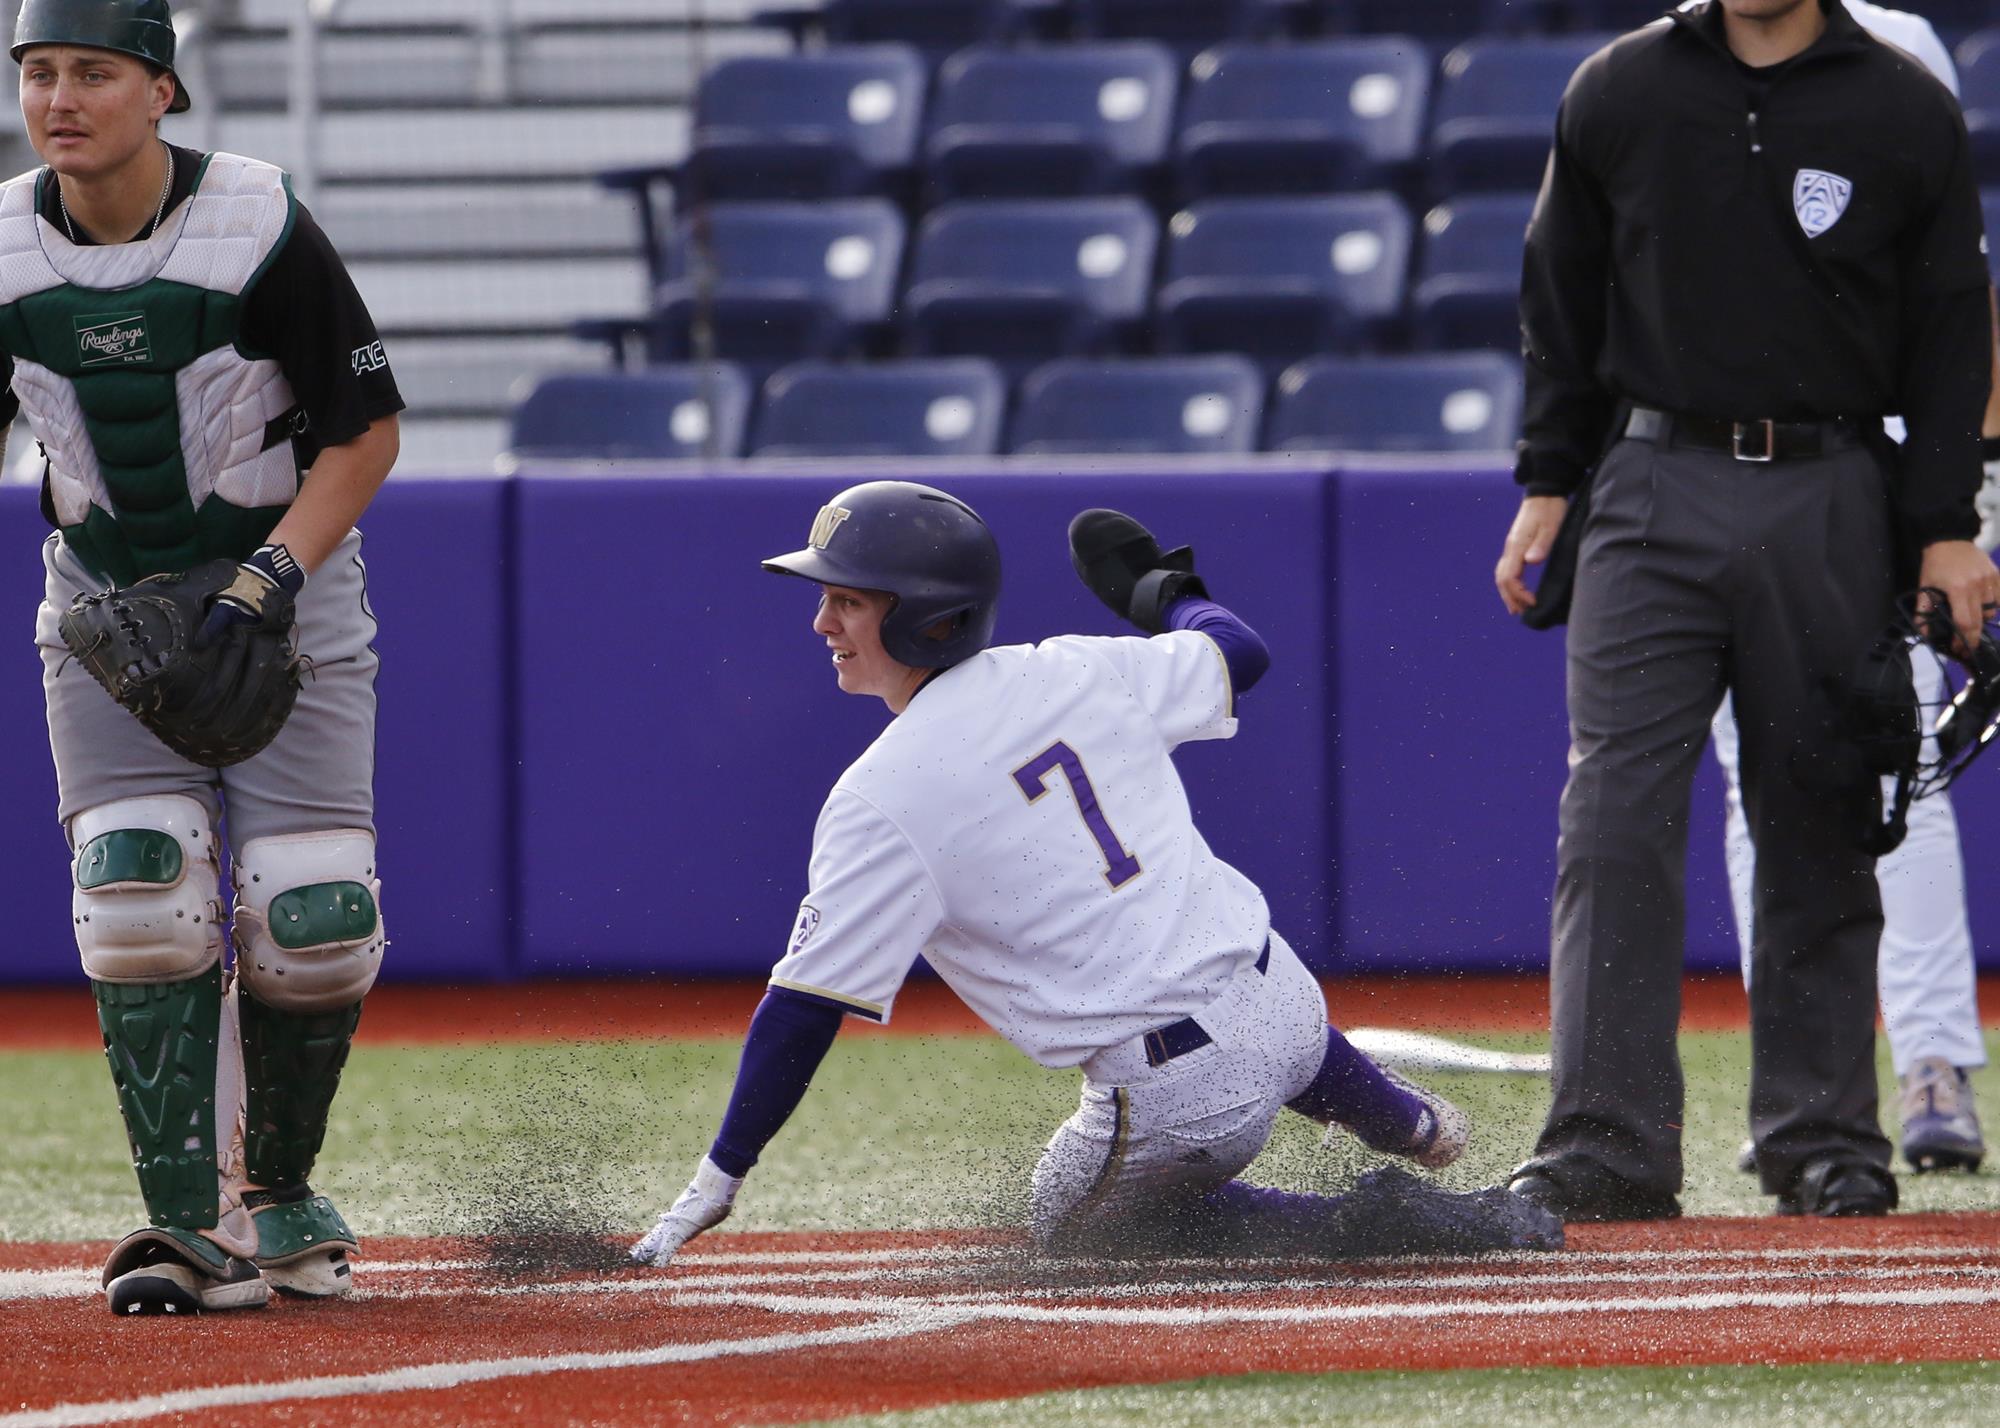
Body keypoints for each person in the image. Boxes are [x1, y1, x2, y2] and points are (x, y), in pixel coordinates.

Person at [632, 481, 1561, 1267]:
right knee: (1246, 999)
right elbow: (1240, 651)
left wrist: (719, 1175)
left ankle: (1363, 1223)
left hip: (1181, 1090)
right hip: (1288, 998)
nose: (822, 620)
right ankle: (1408, 1125)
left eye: (849, 600)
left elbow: (803, 1006)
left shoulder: (881, 796)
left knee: (1069, 1230)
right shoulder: (1070, 667)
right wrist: (1163, 593)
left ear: (924, 614)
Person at [1493, 0, 2000, 1221]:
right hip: (1645, 482)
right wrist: (1545, 483)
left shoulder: (1900, 105)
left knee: (1818, 816)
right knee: (1612, 818)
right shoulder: (1616, 89)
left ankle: (1822, 1141)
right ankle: (1603, 1142)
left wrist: (1944, 527)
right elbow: (1557, 297)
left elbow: (1946, 332)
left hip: (1833, 490)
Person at [13, 0, 404, 1312]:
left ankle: (279, 1192)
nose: (61, 97)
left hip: (285, 590)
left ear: (163, 90)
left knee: (314, 915)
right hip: (107, 607)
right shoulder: (1, 247)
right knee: (137, 897)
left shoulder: (261, 222)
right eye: (38, 71)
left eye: (94, 72)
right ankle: (188, 1226)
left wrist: (267, 577)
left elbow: (365, 432)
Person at [1703, 0, 1994, 1179]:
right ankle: (1796, 1088)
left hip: (1868, 460)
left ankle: (1931, 1061)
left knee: (1897, 760)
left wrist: (1962, 502)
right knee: (1746, 778)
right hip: (1713, 458)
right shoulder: (1664, 52)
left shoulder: (1890, 41)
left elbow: (1948, 283)